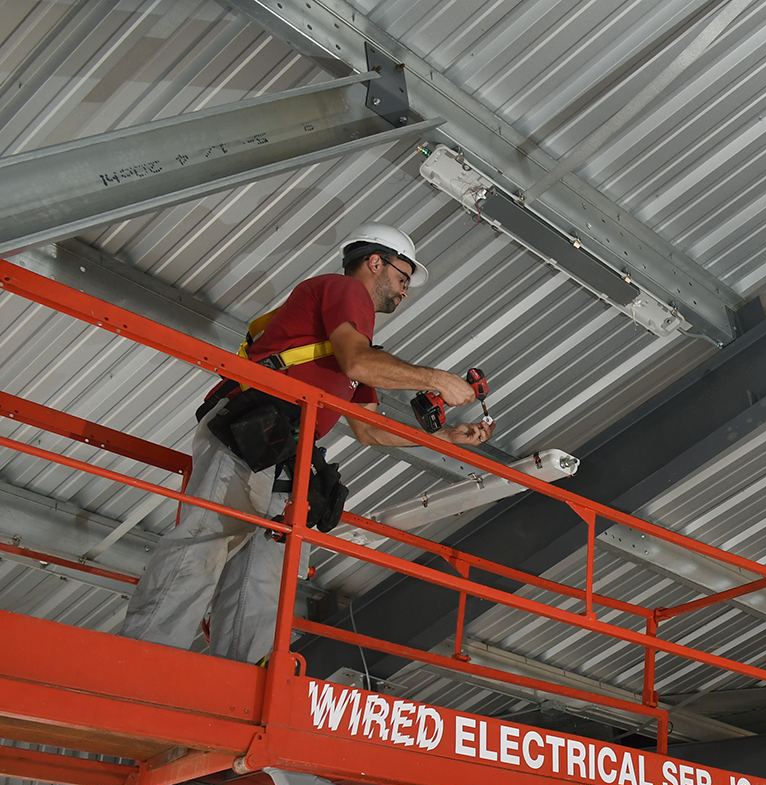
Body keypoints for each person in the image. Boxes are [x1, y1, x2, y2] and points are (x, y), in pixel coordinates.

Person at [121, 224, 492, 664]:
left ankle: (240, 680)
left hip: (282, 453)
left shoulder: (354, 341)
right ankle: (141, 657)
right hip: (249, 432)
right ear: (375, 262)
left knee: (263, 573)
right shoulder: (345, 293)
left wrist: (443, 436)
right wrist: (437, 380)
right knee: (207, 542)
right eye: (402, 277)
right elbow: (358, 363)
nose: (404, 291)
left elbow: (368, 429)